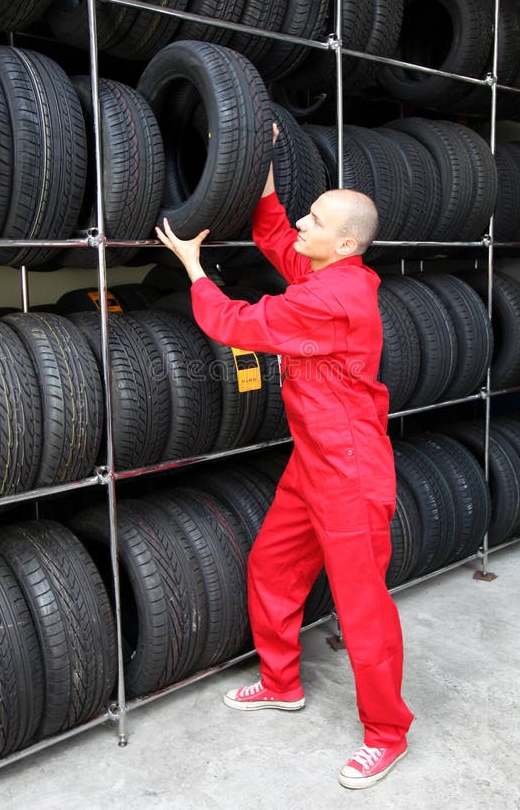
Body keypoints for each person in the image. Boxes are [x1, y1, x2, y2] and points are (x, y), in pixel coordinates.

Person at [155, 123, 414, 790]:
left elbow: (237, 325)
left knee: (363, 610)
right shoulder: (334, 268)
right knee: (273, 564)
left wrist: (191, 266)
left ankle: (388, 734)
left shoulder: (331, 299)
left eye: (317, 218)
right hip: (314, 461)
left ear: (347, 242)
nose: (306, 220)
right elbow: (278, 238)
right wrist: (263, 166)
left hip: (351, 470)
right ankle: (280, 682)